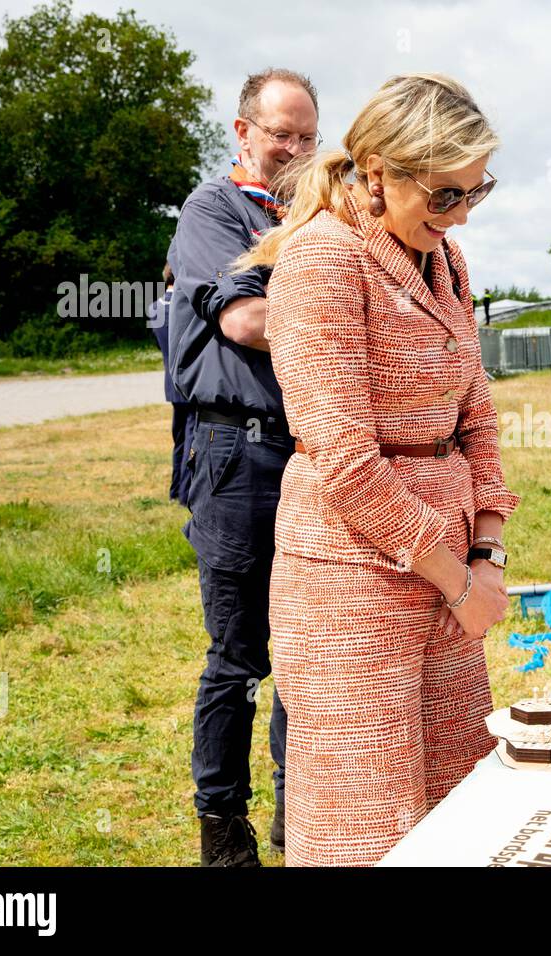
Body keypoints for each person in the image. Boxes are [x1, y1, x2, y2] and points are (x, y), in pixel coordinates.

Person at [237, 72, 517, 867]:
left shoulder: (446, 261)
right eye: (442, 195)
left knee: (459, 802)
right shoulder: (325, 260)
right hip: (352, 583)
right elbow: (347, 461)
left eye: (474, 193)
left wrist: (486, 553)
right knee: (365, 826)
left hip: (452, 577)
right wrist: (461, 583)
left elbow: (478, 418)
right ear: (376, 172)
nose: (460, 215)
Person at [166, 67, 321, 866]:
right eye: (280, 134)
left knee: (304, 643)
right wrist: (342, 319)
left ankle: (307, 820)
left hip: (308, 449)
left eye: (307, 137)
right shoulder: (213, 210)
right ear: (243, 131)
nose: (293, 149)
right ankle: (223, 832)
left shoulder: (314, 214)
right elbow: (248, 320)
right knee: (241, 652)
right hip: (233, 448)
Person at [147, 264, 195, 506]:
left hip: (171, 383)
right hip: (191, 382)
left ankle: (175, 489)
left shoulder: (154, 308)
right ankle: (185, 494)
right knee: (190, 439)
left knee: (178, 441)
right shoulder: (186, 306)